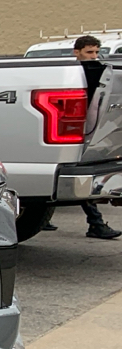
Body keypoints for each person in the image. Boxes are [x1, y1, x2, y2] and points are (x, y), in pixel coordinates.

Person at [46, 35, 121, 238]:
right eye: (89, 52)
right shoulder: (71, 75)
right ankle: (95, 223)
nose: (94, 56)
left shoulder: (95, 73)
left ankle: (91, 222)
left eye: (97, 52)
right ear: (76, 52)